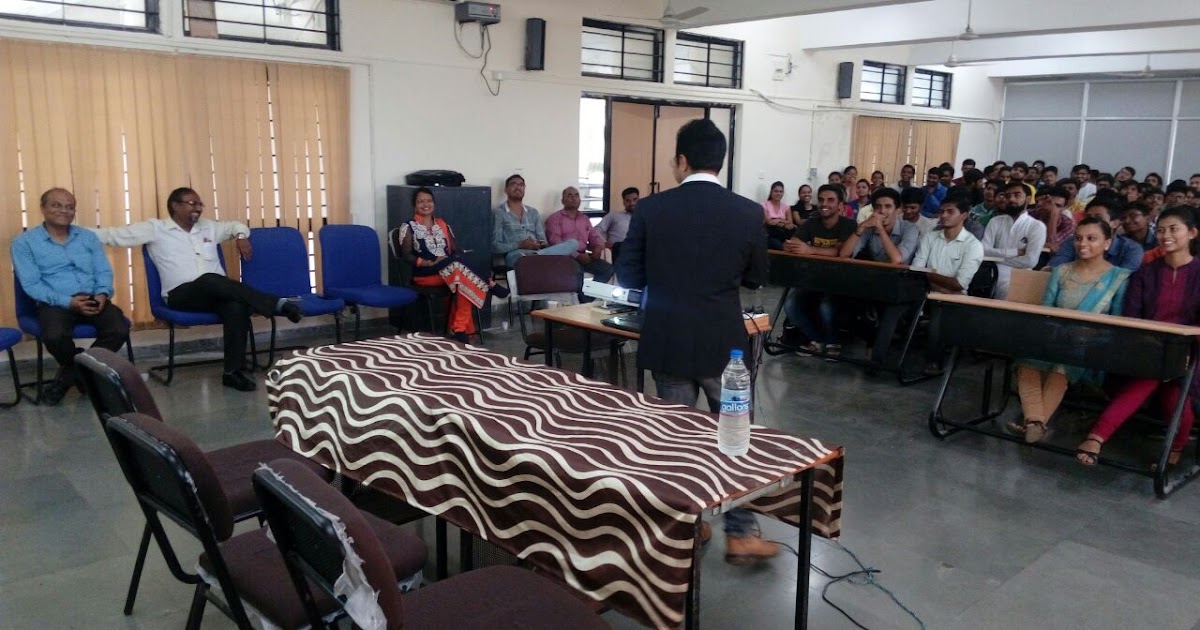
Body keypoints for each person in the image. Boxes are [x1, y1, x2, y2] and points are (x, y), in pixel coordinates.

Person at [615, 118, 774, 564]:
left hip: (668, 338)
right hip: (726, 346)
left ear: (682, 161)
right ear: (720, 162)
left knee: (678, 441)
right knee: (735, 438)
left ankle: (687, 526)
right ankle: (741, 534)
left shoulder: (651, 208)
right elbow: (758, 276)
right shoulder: (747, 211)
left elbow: (628, 275)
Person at [90, 187, 302, 392]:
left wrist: (240, 236)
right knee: (210, 279)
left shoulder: (208, 227)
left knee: (235, 306)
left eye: (200, 204)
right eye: (192, 203)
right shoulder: (155, 229)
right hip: (180, 295)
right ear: (175, 205)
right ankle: (275, 304)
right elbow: (114, 235)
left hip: (214, 293)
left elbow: (236, 226)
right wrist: (75, 232)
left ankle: (232, 373)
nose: (198, 208)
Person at [1076, 207, 1200, 468]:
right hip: (1149, 348)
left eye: (1173, 229)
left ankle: (1098, 436)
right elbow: (1132, 316)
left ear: (1191, 233)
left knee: (1172, 395)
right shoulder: (1147, 272)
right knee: (1154, 378)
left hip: (1191, 351)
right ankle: (1173, 447)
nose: (1165, 235)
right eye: (1162, 229)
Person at [1007, 218, 1132, 444]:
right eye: (1078, 238)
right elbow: (1046, 312)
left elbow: (1116, 323)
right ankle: (1036, 423)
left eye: (1091, 238)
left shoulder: (1118, 277)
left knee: (1063, 365)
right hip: (1054, 336)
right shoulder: (1061, 271)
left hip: (1092, 344)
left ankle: (1033, 422)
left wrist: (1083, 335)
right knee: (1026, 360)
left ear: (1107, 244)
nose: (1082, 243)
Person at [11, 188, 131, 405]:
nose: (64, 211)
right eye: (56, 205)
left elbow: (103, 271)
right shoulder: (24, 243)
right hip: (54, 301)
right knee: (55, 336)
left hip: (93, 297)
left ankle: (70, 375)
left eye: (69, 207)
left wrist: (103, 293)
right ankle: (84, 374)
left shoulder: (87, 237)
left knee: (119, 328)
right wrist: (68, 302)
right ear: (43, 208)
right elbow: (31, 284)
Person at [389, 187, 507, 343]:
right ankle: (488, 283)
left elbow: (453, 250)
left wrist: (451, 259)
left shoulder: (442, 224)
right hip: (425, 274)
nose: (426, 204)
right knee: (459, 271)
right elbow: (407, 256)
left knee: (460, 275)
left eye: (429, 201)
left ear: (434, 203)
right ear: (414, 205)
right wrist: (430, 261)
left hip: (450, 270)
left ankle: (458, 329)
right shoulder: (409, 226)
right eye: (420, 201)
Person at [840, 187, 920, 367]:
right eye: (878, 207)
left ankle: (877, 356)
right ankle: (869, 342)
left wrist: (881, 231)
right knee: (848, 299)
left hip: (904, 285)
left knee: (887, 310)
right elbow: (845, 254)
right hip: (877, 282)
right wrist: (860, 228)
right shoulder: (869, 227)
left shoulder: (910, 229)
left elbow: (897, 260)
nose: (882, 211)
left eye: (888, 207)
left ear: (898, 210)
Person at [781, 184, 856, 357]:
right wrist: (789, 246)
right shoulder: (811, 223)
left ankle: (833, 340)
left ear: (840, 206)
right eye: (821, 199)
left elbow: (840, 252)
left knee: (826, 305)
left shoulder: (849, 224)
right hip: (813, 278)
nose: (824, 204)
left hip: (841, 281)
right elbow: (794, 242)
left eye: (830, 200)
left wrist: (810, 250)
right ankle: (817, 339)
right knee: (790, 305)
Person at [491, 174, 579, 269]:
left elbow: (543, 241)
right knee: (519, 258)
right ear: (506, 189)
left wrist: (540, 244)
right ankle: (538, 259)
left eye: (521, 185)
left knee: (573, 243)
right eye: (513, 184)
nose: (518, 187)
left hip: (538, 253)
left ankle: (535, 257)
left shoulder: (533, 212)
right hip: (516, 255)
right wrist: (520, 244)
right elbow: (495, 246)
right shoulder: (498, 213)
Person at [981, 180, 1047, 299]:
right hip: (990, 274)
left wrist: (995, 258)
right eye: (1008, 196)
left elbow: (1030, 261)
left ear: (1027, 199)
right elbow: (983, 251)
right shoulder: (995, 221)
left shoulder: (1036, 226)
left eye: (1017, 195)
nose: (1011, 199)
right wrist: (1015, 252)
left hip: (1020, 277)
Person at [912, 194, 985, 296]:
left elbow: (960, 284)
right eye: (942, 212)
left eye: (950, 212)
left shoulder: (973, 245)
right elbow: (915, 272)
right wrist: (944, 290)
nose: (944, 215)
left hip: (954, 302)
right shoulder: (929, 237)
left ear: (964, 216)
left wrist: (927, 274)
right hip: (924, 294)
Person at [544, 186, 614, 292]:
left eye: (576, 195)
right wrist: (577, 255)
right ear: (563, 200)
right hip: (565, 257)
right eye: (569, 195)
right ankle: (580, 303)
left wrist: (598, 247)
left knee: (608, 269)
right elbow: (556, 242)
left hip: (585, 256)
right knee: (577, 272)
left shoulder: (584, 219)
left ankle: (587, 299)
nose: (573, 198)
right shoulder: (554, 219)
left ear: (580, 200)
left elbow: (594, 236)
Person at [1047, 198, 1142, 271]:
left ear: (1115, 223)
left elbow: (1122, 280)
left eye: (1098, 217)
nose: (1092, 222)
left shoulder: (1131, 249)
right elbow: (1056, 267)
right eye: (1088, 217)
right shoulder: (1073, 241)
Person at [597, 186, 637, 263]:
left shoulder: (645, 218)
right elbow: (597, 230)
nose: (632, 203)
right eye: (628, 201)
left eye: (635, 200)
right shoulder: (614, 215)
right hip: (619, 250)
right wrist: (604, 242)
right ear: (623, 202)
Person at [761, 180, 795, 249]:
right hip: (770, 234)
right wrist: (783, 222)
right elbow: (769, 222)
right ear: (771, 192)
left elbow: (790, 222)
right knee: (777, 244)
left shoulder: (786, 207)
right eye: (776, 191)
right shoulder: (764, 205)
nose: (778, 193)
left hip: (784, 233)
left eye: (781, 192)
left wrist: (777, 220)